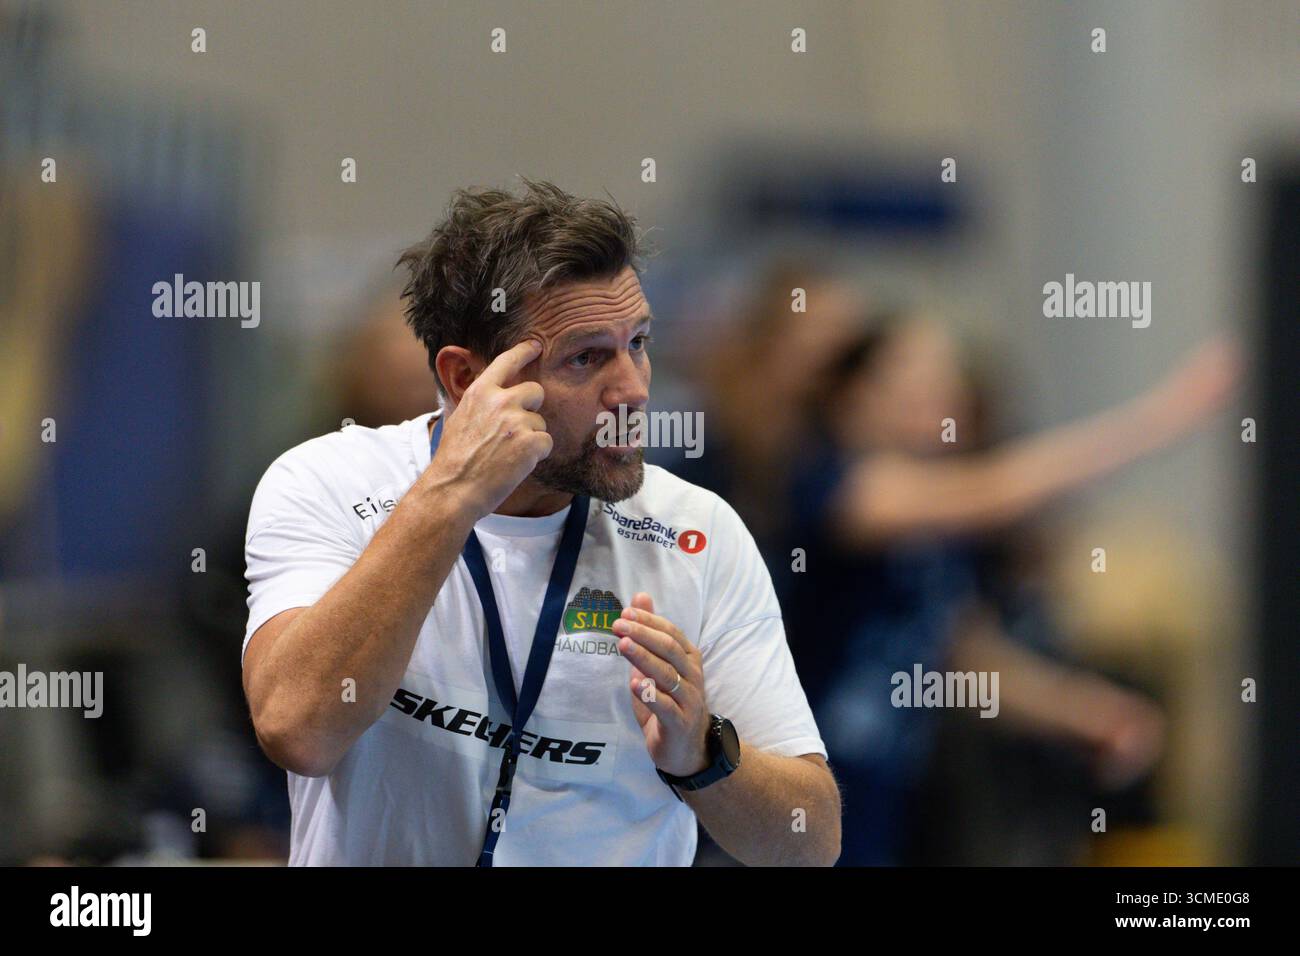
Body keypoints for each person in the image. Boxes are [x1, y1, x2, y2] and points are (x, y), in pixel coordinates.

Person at [239, 178, 840, 866]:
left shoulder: (696, 532)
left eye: (638, 343)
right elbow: (298, 730)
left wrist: (704, 752)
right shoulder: (331, 482)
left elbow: (809, 840)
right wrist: (449, 500)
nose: (635, 390)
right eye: (587, 358)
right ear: (467, 379)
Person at [783, 312, 1239, 864]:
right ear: (855, 395)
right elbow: (995, 489)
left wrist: (1080, 711)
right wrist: (1160, 419)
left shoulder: (935, 534)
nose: (939, 389)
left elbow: (965, 656)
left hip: (881, 800)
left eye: (946, 375)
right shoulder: (837, 488)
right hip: (793, 797)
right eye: (914, 373)